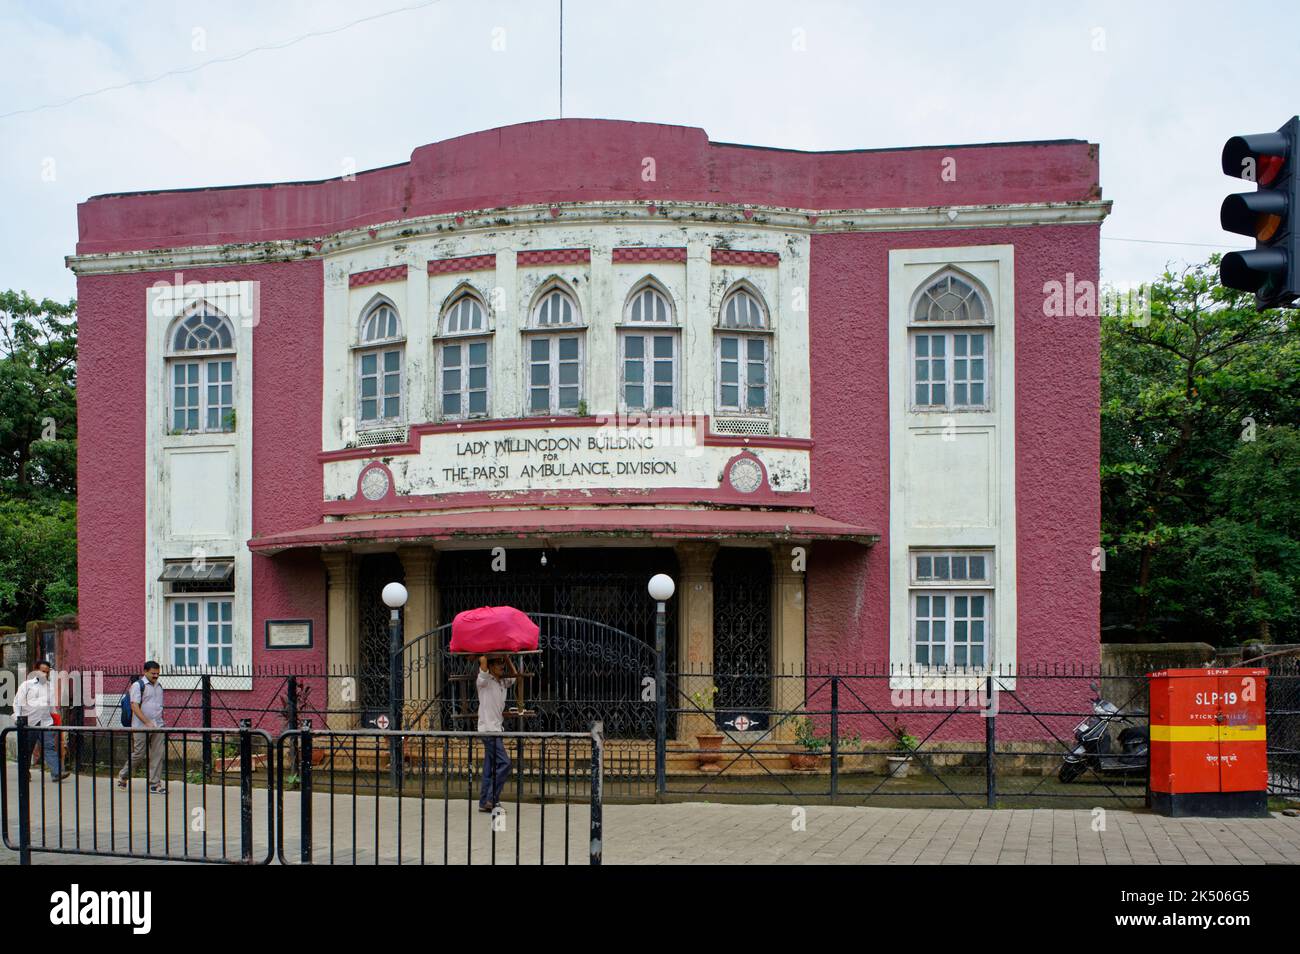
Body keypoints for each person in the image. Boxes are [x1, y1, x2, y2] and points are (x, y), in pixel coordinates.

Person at [476, 654, 517, 813]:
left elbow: (514, 676)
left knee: (489, 767)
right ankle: (491, 799)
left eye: (502, 664)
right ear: (491, 667)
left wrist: (506, 657)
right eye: (499, 664)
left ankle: (483, 801)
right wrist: (484, 658)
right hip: (488, 730)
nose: (502, 667)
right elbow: (483, 667)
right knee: (505, 763)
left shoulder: (502, 682)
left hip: (495, 729)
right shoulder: (484, 682)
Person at [13, 659, 67, 782]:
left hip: (46, 722)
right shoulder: (26, 685)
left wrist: (56, 721)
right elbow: (17, 703)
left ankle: (56, 773)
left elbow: (52, 706)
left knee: (49, 747)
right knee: (27, 749)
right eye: (43, 671)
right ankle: (24, 773)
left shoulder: (49, 687)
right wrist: (18, 718)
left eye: (47, 672)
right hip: (29, 723)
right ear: (36, 671)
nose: (45, 674)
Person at [117, 661, 167, 794]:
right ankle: (123, 775)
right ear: (145, 672)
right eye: (153, 673)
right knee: (139, 754)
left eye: (158, 673)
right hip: (140, 726)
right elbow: (134, 706)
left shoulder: (159, 686)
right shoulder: (138, 686)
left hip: (158, 725)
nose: (156, 676)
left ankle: (154, 784)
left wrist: (159, 722)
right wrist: (147, 722)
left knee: (158, 754)